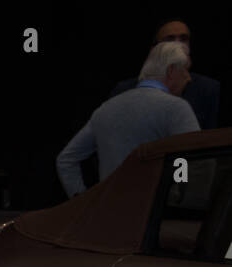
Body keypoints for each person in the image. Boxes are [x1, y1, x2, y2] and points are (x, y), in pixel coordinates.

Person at [56, 41, 198, 197]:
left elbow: (66, 159)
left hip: (109, 208)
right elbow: (193, 162)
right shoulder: (176, 108)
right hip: (153, 208)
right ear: (171, 71)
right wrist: (178, 195)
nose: (189, 78)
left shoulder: (105, 109)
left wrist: (82, 199)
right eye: (186, 69)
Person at [108, 20, 220, 129]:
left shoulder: (208, 88)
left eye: (184, 39)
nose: (178, 44)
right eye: (170, 39)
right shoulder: (124, 90)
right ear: (154, 49)